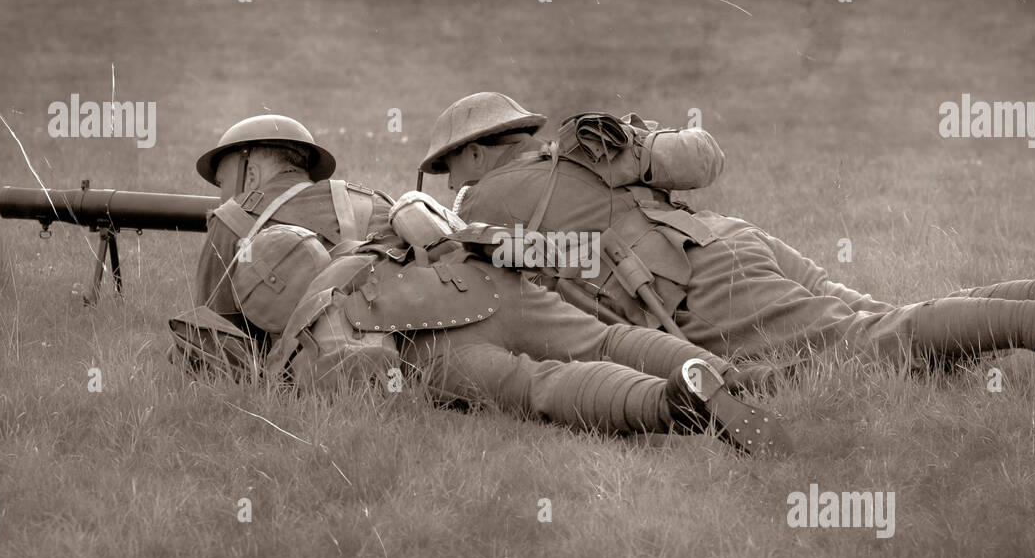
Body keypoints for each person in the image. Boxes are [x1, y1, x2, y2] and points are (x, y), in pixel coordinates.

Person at [421, 93, 1035, 392]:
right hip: (727, 240)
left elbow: (497, 286)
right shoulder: (584, 149)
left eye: (452, 164)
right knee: (884, 319)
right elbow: (703, 158)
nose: (453, 179)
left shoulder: (482, 203)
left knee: (865, 340)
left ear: (477, 153)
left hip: (687, 284)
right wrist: (639, 155)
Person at [169, 114, 792, 458]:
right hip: (477, 270)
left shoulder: (234, 225)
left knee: (539, 386)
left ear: (248, 163)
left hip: (411, 324)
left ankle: (674, 405)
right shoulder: (364, 197)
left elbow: (220, 332)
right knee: (608, 341)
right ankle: (726, 376)